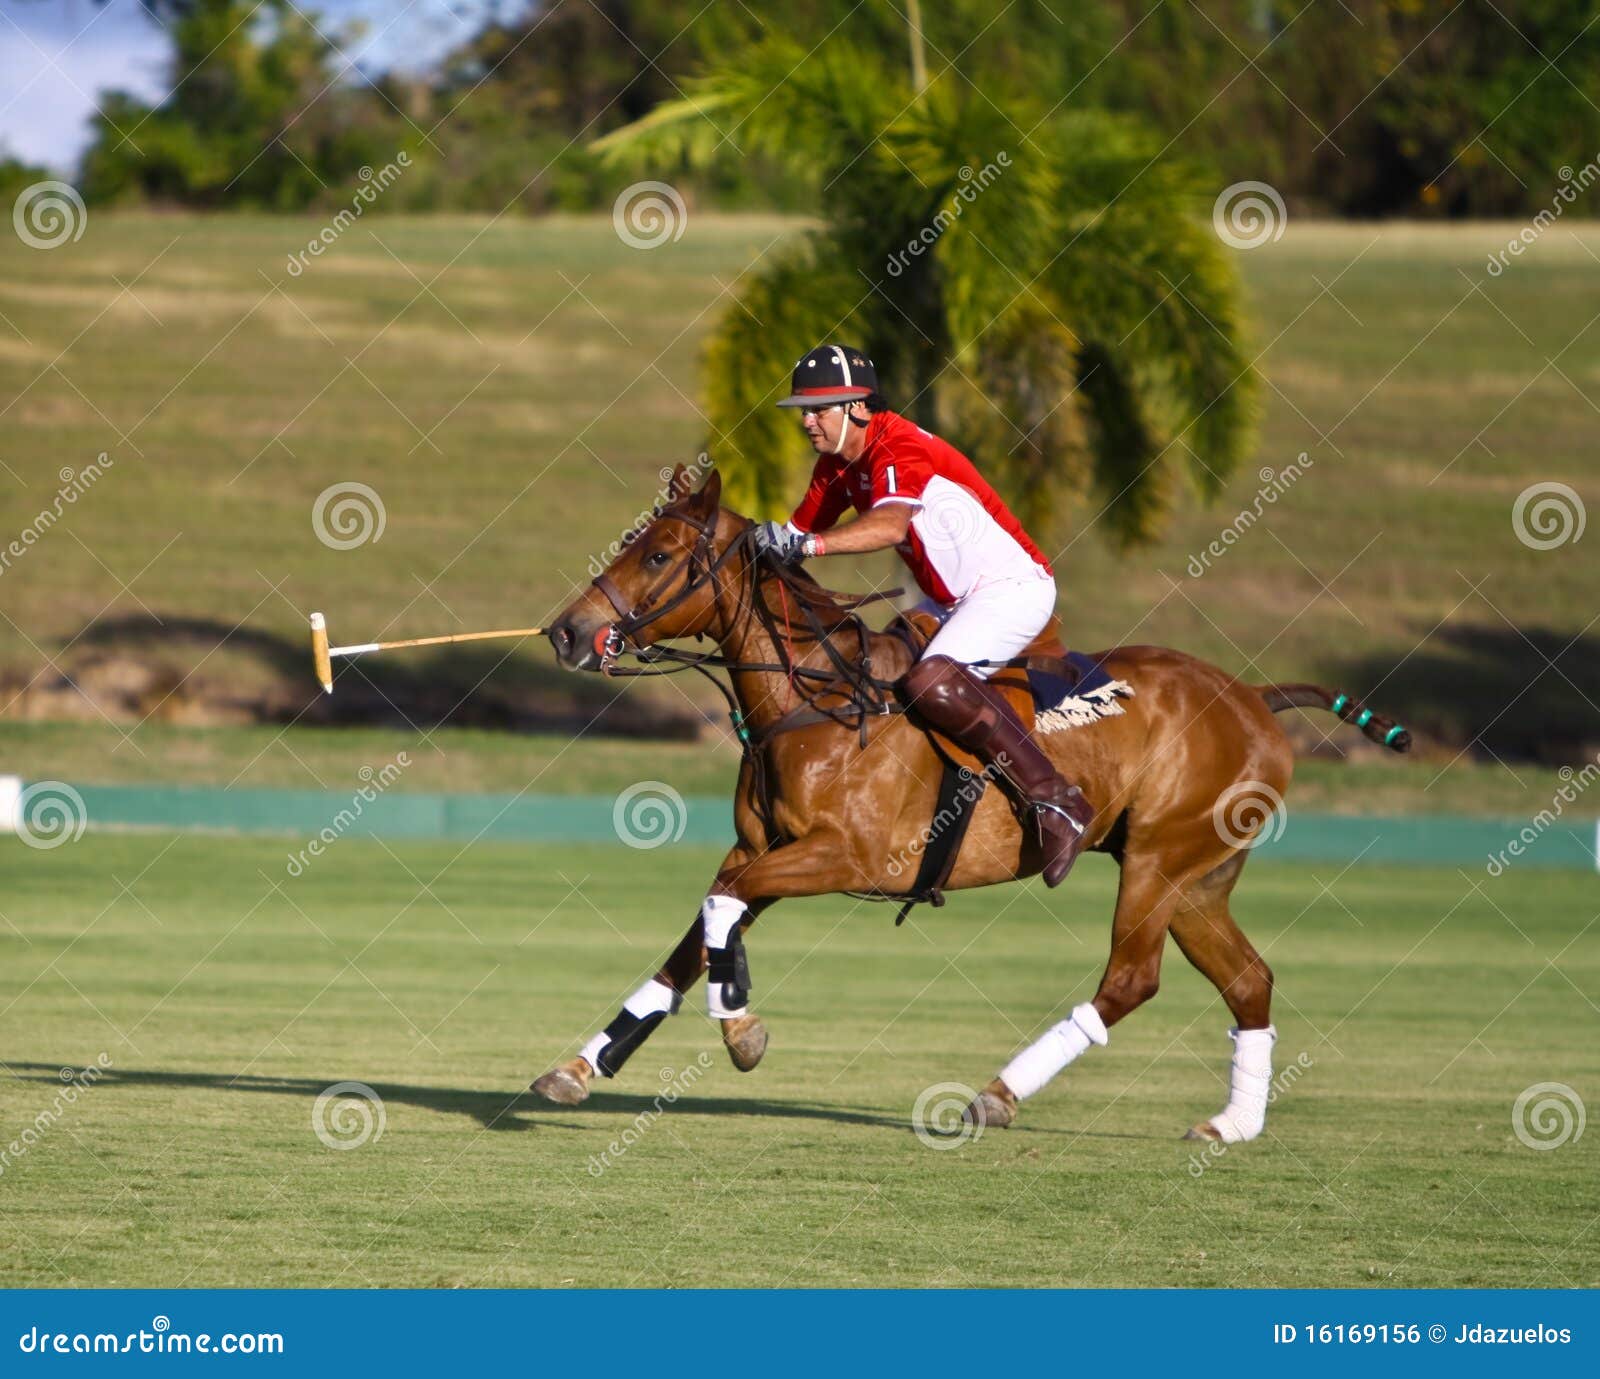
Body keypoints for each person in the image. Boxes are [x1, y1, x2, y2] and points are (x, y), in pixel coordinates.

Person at [753, 344, 1094, 885]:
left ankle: (1056, 801)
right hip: (948, 600)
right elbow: (791, 539)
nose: (806, 420)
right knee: (879, 667)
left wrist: (812, 549)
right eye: (804, 410)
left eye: (819, 409)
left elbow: (888, 526)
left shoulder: (900, 446)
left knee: (933, 680)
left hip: (1010, 589)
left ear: (858, 408)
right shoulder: (836, 466)